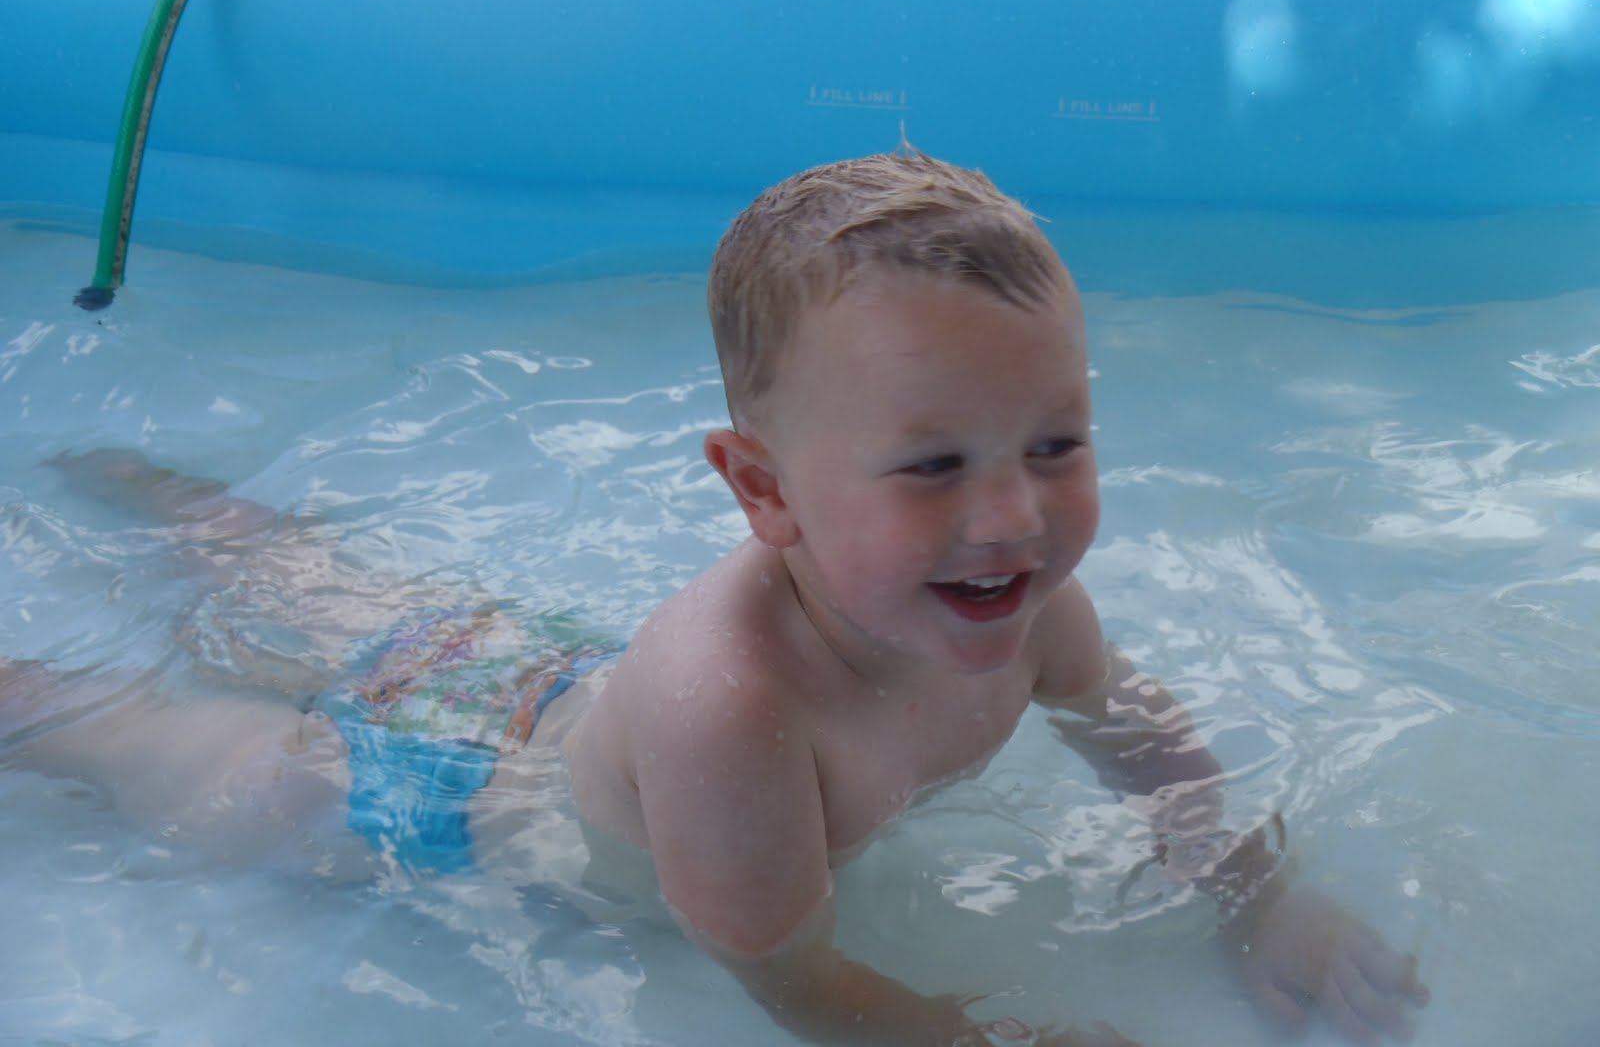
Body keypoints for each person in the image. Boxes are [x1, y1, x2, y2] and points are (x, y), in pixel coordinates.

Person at [1, 151, 1428, 1046]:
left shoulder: (1019, 594)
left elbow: (1136, 733)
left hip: (530, 679)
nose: (1013, 513)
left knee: (299, 580)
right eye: (931, 465)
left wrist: (1255, 897)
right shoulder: (736, 718)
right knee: (139, 743)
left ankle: (153, 494)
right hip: (431, 802)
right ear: (765, 492)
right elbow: (797, 986)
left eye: (1056, 444)